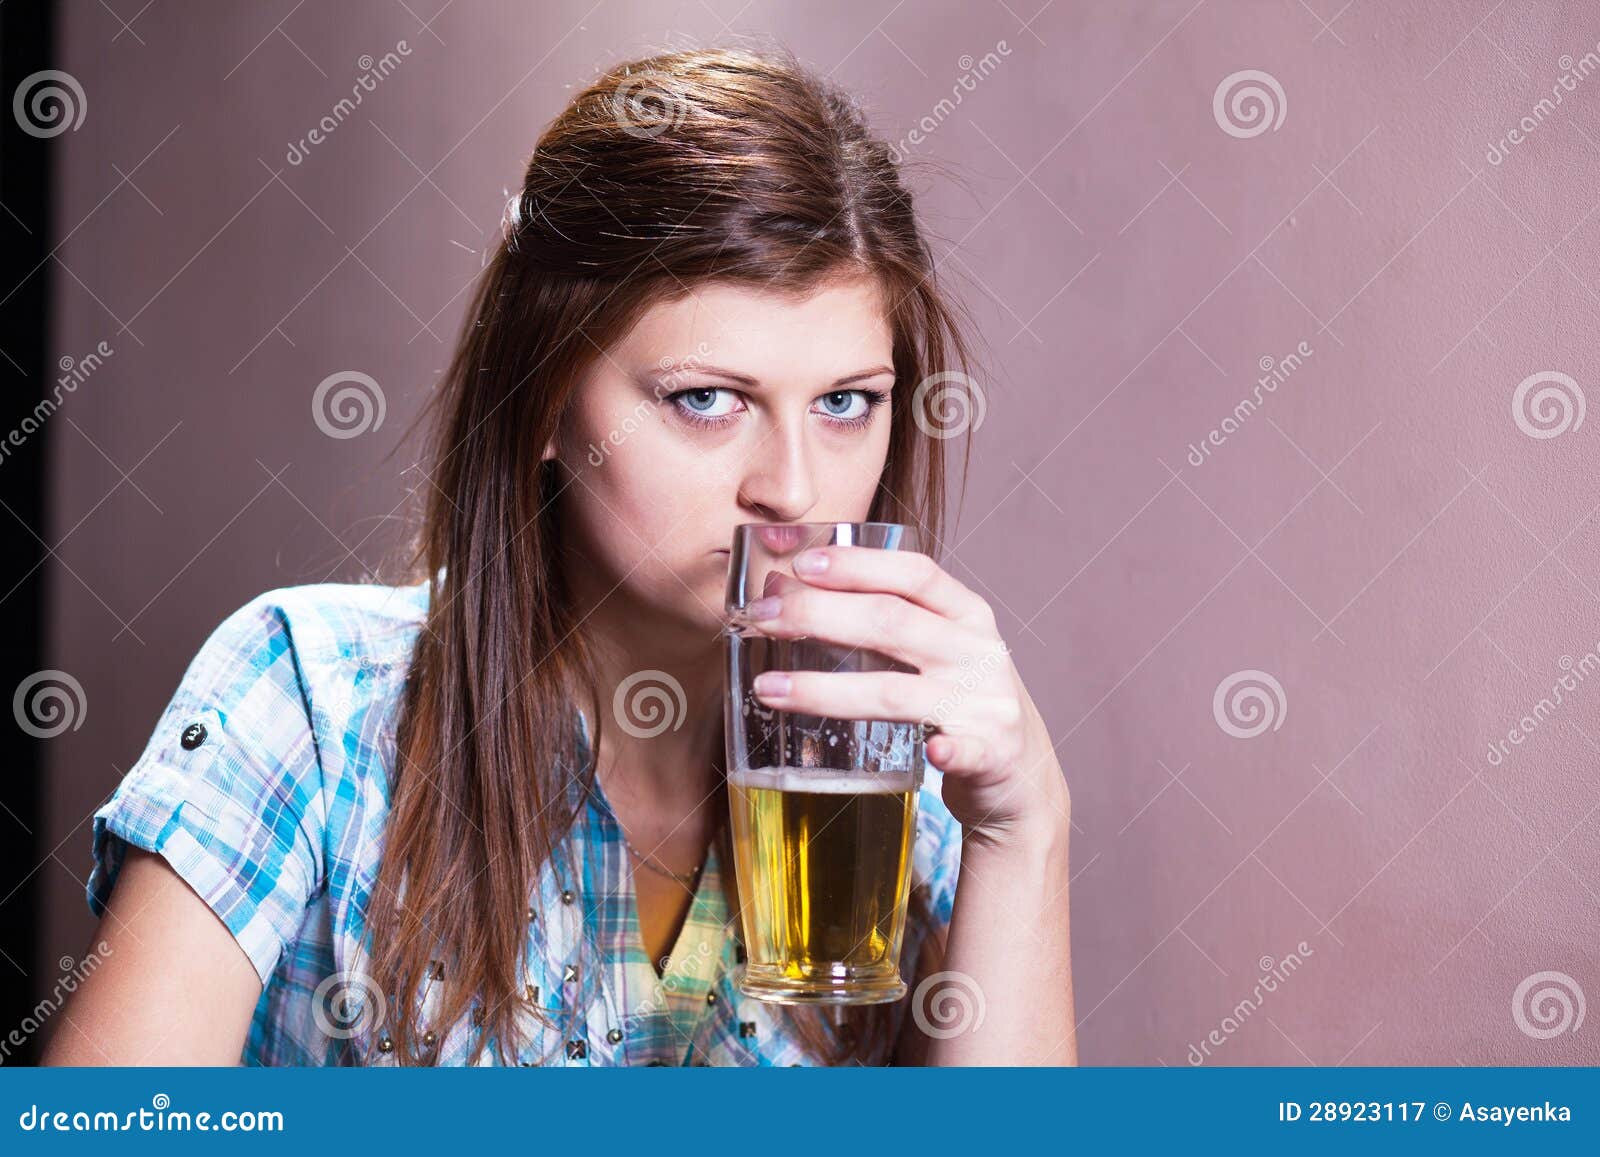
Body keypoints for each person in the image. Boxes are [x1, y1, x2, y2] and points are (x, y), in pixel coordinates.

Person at [43, 46, 1076, 1067]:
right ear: (541, 398)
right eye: (705, 399)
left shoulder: (895, 770)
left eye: (846, 402)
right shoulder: (312, 704)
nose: (793, 490)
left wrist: (1025, 829)